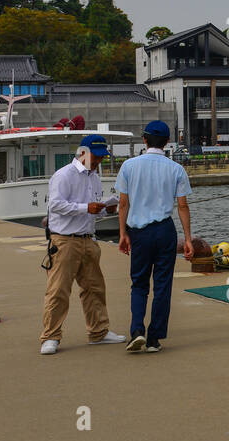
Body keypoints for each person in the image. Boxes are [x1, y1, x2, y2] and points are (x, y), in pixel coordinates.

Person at [40, 134, 125, 355]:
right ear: (83, 153)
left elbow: (91, 206)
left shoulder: (94, 177)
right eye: (96, 157)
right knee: (58, 290)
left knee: (94, 288)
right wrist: (86, 208)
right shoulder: (64, 175)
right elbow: (56, 205)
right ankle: (50, 337)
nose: (98, 162)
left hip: (88, 238)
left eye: (101, 158)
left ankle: (99, 332)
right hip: (65, 240)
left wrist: (106, 209)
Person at [116, 120, 193, 353]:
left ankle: (137, 330)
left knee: (139, 283)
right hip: (164, 230)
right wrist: (188, 238)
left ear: (145, 140)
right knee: (162, 285)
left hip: (139, 231)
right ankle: (154, 338)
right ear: (168, 142)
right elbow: (182, 206)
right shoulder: (176, 169)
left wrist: (122, 234)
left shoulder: (129, 166)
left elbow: (122, 203)